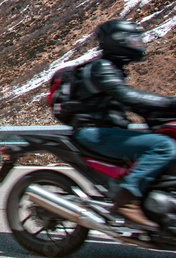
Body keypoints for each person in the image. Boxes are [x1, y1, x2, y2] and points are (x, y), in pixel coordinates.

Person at [71, 18, 176, 229]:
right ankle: (127, 197)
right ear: (118, 41)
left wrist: (160, 115)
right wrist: (170, 102)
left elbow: (133, 103)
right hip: (94, 132)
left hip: (108, 131)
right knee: (164, 146)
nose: (138, 44)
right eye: (133, 39)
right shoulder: (101, 68)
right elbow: (125, 96)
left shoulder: (114, 69)